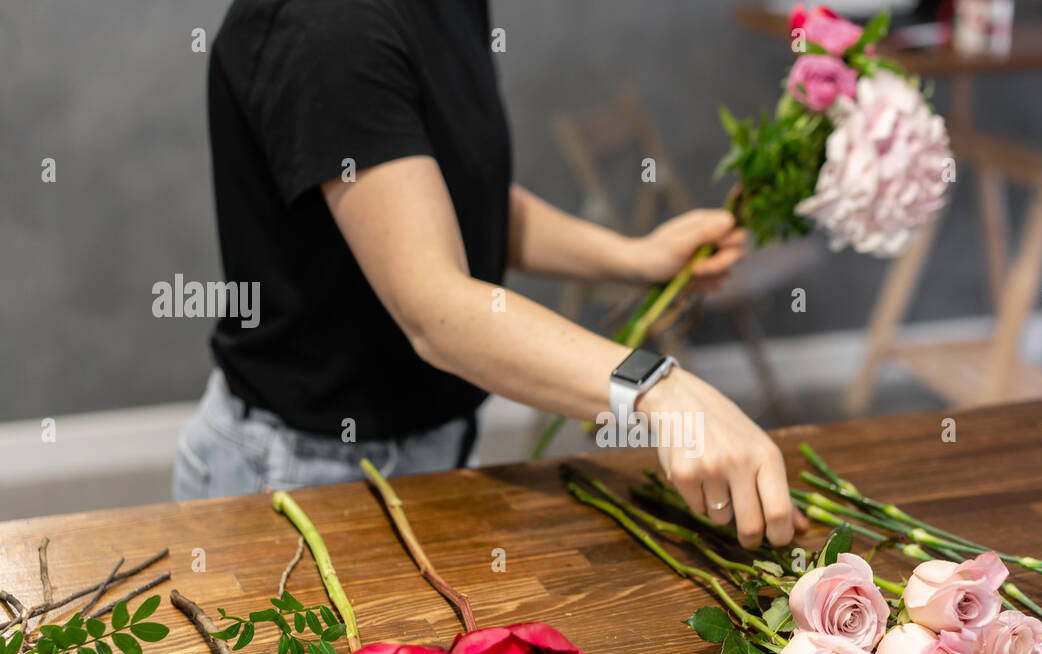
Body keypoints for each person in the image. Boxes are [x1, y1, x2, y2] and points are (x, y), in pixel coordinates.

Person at [173, 0, 805, 550]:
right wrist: (658, 390)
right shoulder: (325, 26)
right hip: (302, 475)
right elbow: (436, 311)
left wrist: (634, 257)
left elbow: (448, 195)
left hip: (436, 445)